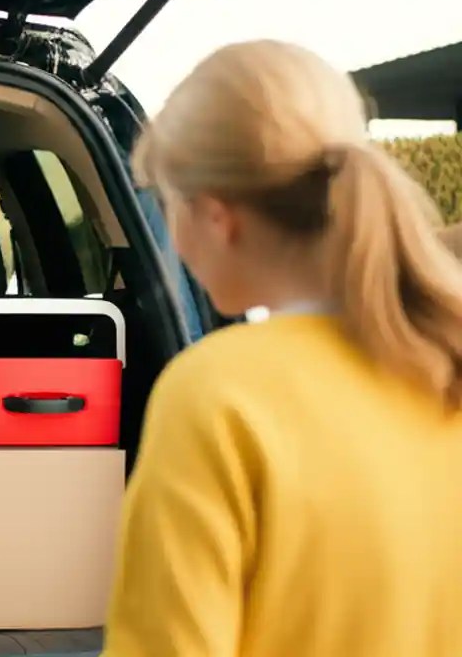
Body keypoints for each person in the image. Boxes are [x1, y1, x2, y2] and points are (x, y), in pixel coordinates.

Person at [101, 40, 462, 657]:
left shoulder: (218, 393)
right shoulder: (444, 360)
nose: (174, 244)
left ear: (218, 218)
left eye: (169, 207)